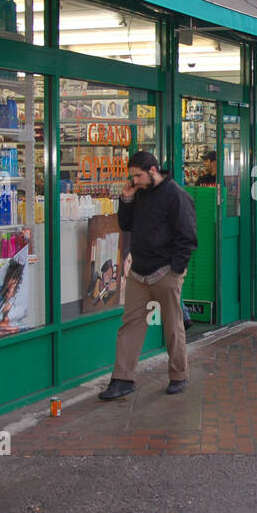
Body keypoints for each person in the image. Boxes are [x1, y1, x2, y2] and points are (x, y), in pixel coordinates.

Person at [100, 151, 198, 400]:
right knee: (130, 326)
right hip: (138, 273)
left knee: (173, 326)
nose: (135, 181)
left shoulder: (176, 196)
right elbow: (126, 225)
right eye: (132, 176)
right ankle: (122, 379)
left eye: (138, 176)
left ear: (153, 171)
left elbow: (187, 237)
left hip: (165, 272)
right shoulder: (139, 193)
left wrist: (176, 270)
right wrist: (127, 199)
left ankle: (179, 375)